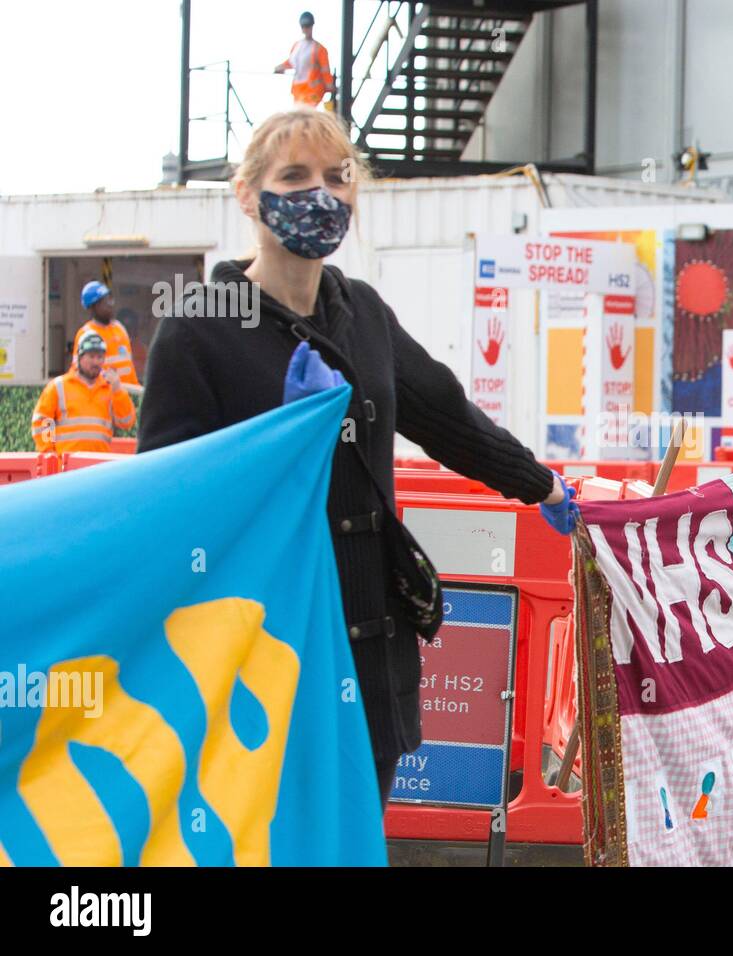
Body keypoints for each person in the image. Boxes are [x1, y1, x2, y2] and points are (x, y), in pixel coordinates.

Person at [137, 109, 578, 807]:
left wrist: (544, 486)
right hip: (259, 655)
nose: (322, 193)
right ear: (247, 195)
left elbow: (445, 415)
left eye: (339, 177)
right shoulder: (200, 326)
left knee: (355, 839)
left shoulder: (362, 310)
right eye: (295, 176)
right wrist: (279, 443)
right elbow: (165, 502)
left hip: (368, 653)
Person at [32, 333, 136, 453]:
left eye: (100, 357)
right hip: (66, 466)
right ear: (80, 357)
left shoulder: (110, 388)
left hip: (99, 464)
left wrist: (117, 389)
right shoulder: (58, 386)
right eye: (91, 356)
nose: (96, 362)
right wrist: (49, 453)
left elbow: (127, 422)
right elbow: (42, 421)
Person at [73, 281, 140, 387]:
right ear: (93, 307)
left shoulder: (120, 328)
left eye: (110, 299)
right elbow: (78, 372)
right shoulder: (86, 334)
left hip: (128, 394)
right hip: (104, 398)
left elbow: (129, 366)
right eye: (104, 302)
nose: (109, 304)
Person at [274, 11, 335, 109]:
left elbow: (325, 70)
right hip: (298, 90)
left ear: (312, 26)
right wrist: (280, 67)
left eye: (308, 26)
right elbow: (291, 62)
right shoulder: (297, 46)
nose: (306, 29)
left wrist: (329, 85)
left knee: (307, 117)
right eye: (304, 26)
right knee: (298, 118)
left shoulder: (319, 49)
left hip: (312, 91)